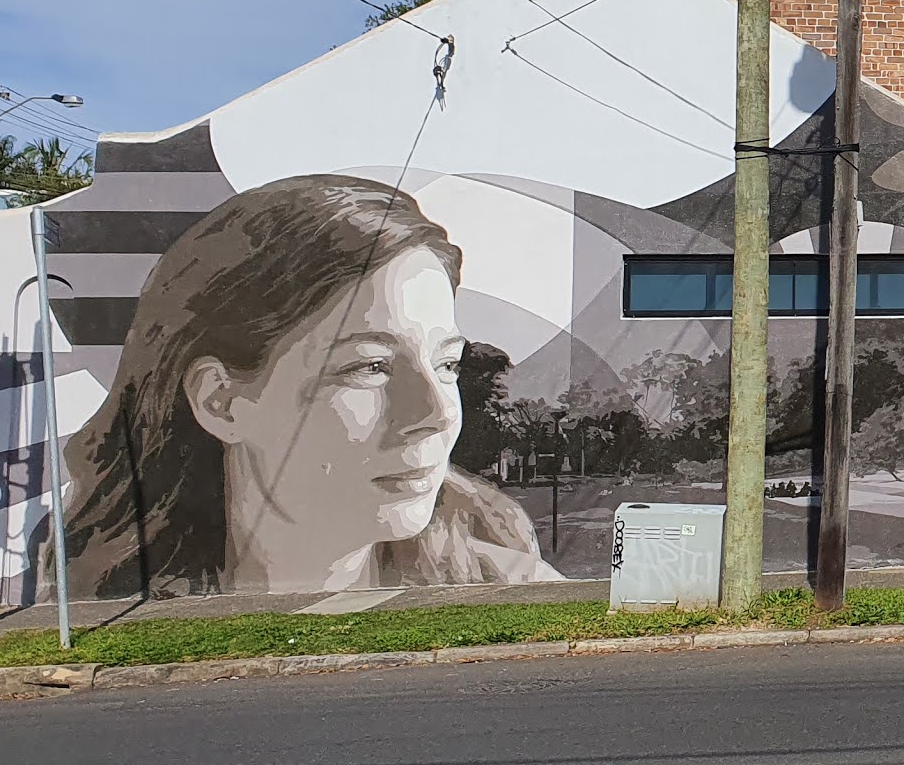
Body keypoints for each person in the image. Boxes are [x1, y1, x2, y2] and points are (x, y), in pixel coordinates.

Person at [60, 174, 561, 598]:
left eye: (447, 364)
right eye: (368, 367)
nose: (437, 412)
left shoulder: (508, 586)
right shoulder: (110, 602)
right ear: (222, 401)